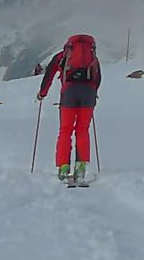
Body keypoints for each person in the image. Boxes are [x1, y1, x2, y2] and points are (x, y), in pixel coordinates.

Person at [37, 33, 102, 183]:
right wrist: (93, 93)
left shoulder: (62, 56)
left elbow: (49, 75)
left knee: (65, 130)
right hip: (88, 95)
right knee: (82, 130)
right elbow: (98, 78)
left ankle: (64, 168)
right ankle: (80, 169)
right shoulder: (93, 58)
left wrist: (42, 94)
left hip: (69, 94)